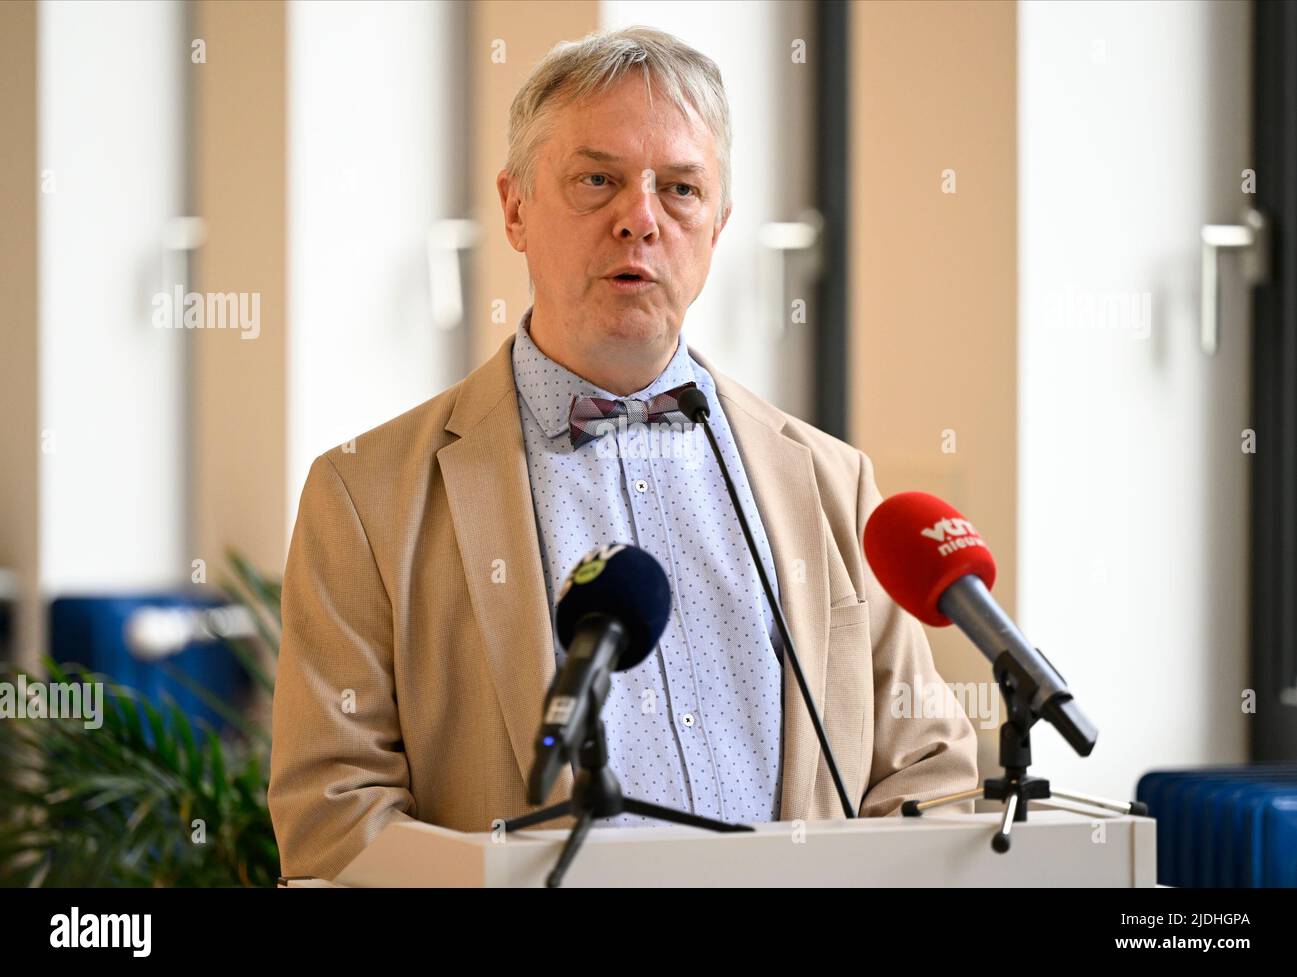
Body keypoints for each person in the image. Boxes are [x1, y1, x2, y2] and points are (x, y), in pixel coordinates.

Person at [269, 25, 978, 881]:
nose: (639, 218)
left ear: (717, 226)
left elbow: (929, 771)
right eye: (596, 179)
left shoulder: (833, 482)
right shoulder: (364, 496)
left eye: (680, 188)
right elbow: (336, 819)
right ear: (516, 206)